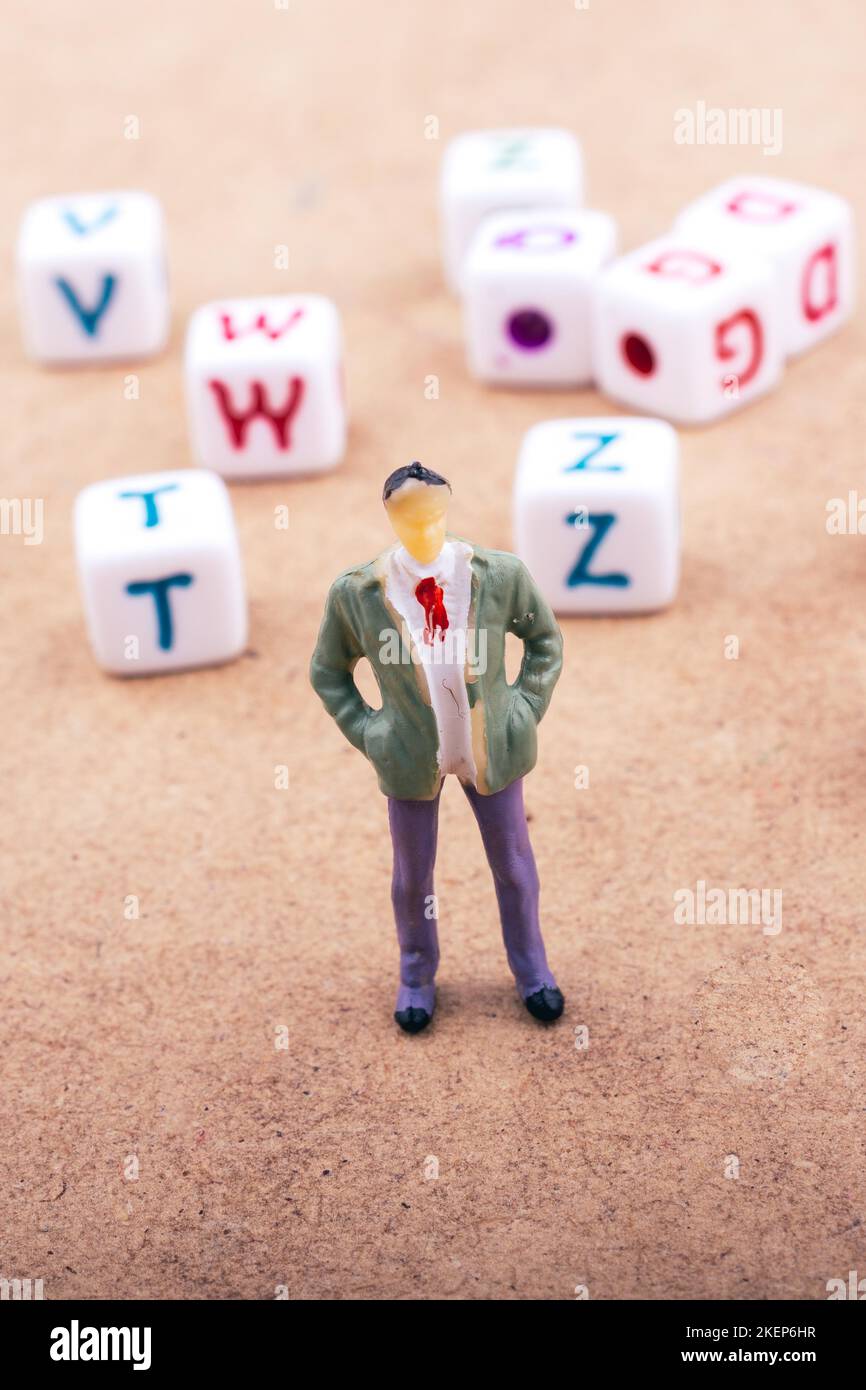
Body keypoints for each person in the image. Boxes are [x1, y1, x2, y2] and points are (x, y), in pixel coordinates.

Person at [310, 461, 564, 1033]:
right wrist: (370, 732)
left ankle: (532, 971)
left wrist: (523, 709)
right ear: (390, 515)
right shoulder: (359, 594)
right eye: (409, 514)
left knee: (515, 866)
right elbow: (329, 672)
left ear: (447, 509)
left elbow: (544, 641)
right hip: (408, 753)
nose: (423, 526)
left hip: (490, 750)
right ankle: (417, 974)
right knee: (411, 876)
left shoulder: (499, 575)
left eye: (433, 512)